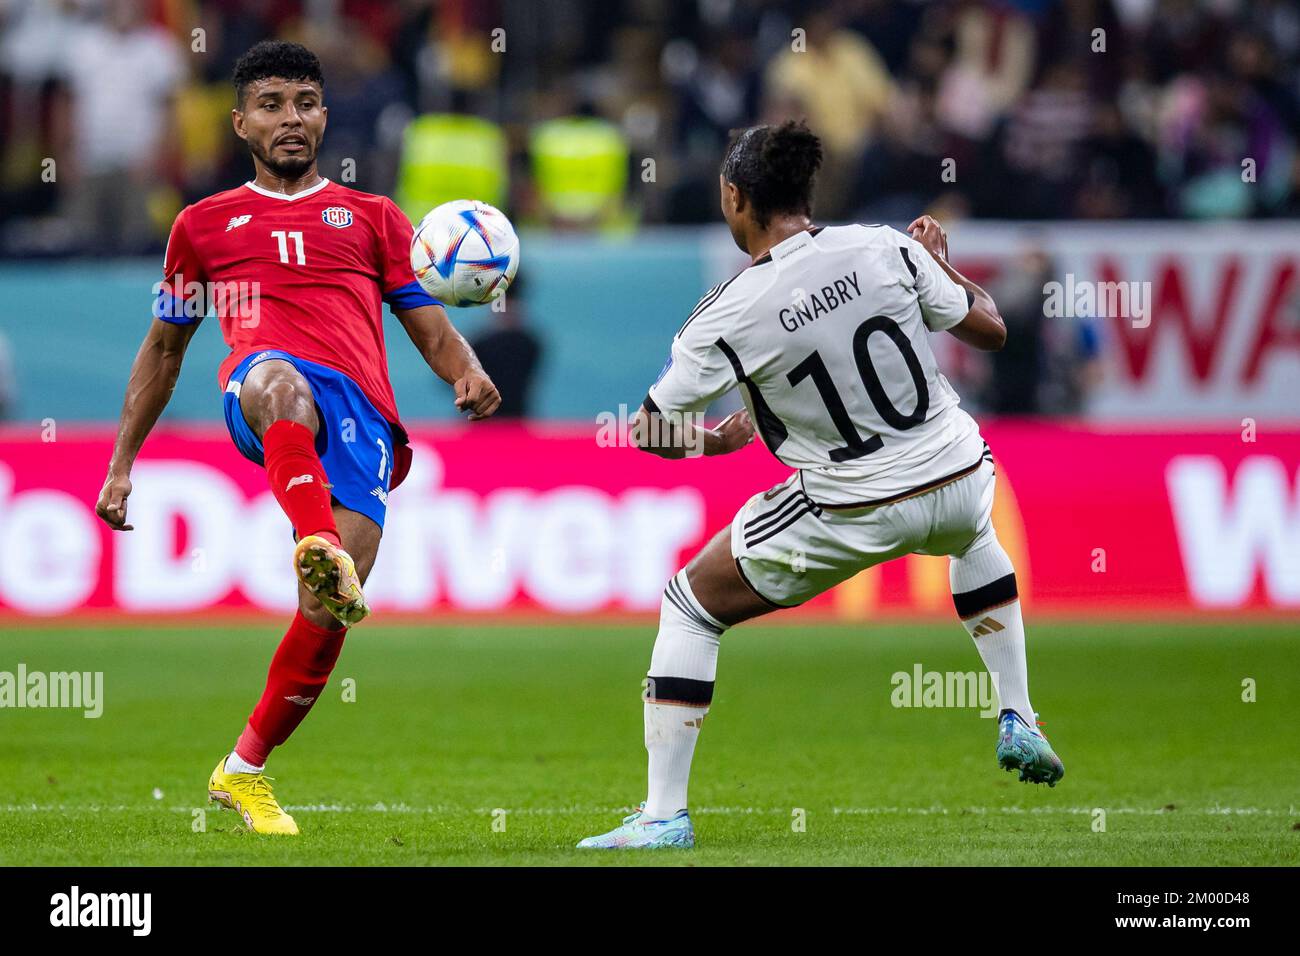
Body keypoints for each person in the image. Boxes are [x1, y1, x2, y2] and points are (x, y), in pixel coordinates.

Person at [578, 121, 1063, 850]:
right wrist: (945, 266)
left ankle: (663, 815)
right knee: (976, 536)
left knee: (690, 604)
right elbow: (990, 329)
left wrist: (714, 443)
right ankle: (1018, 713)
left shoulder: (728, 311)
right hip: (964, 473)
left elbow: (648, 430)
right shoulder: (884, 245)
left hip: (854, 505)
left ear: (737, 200)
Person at [94, 41, 500, 835]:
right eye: (272, 104)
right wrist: (121, 465)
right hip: (265, 385)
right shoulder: (202, 227)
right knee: (278, 383)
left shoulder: (375, 218)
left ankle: (243, 769)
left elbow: (428, 324)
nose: (292, 118)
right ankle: (314, 535)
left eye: (306, 102)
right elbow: (166, 349)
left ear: (324, 115)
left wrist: (467, 373)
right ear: (240, 121)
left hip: (365, 421)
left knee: (329, 607)